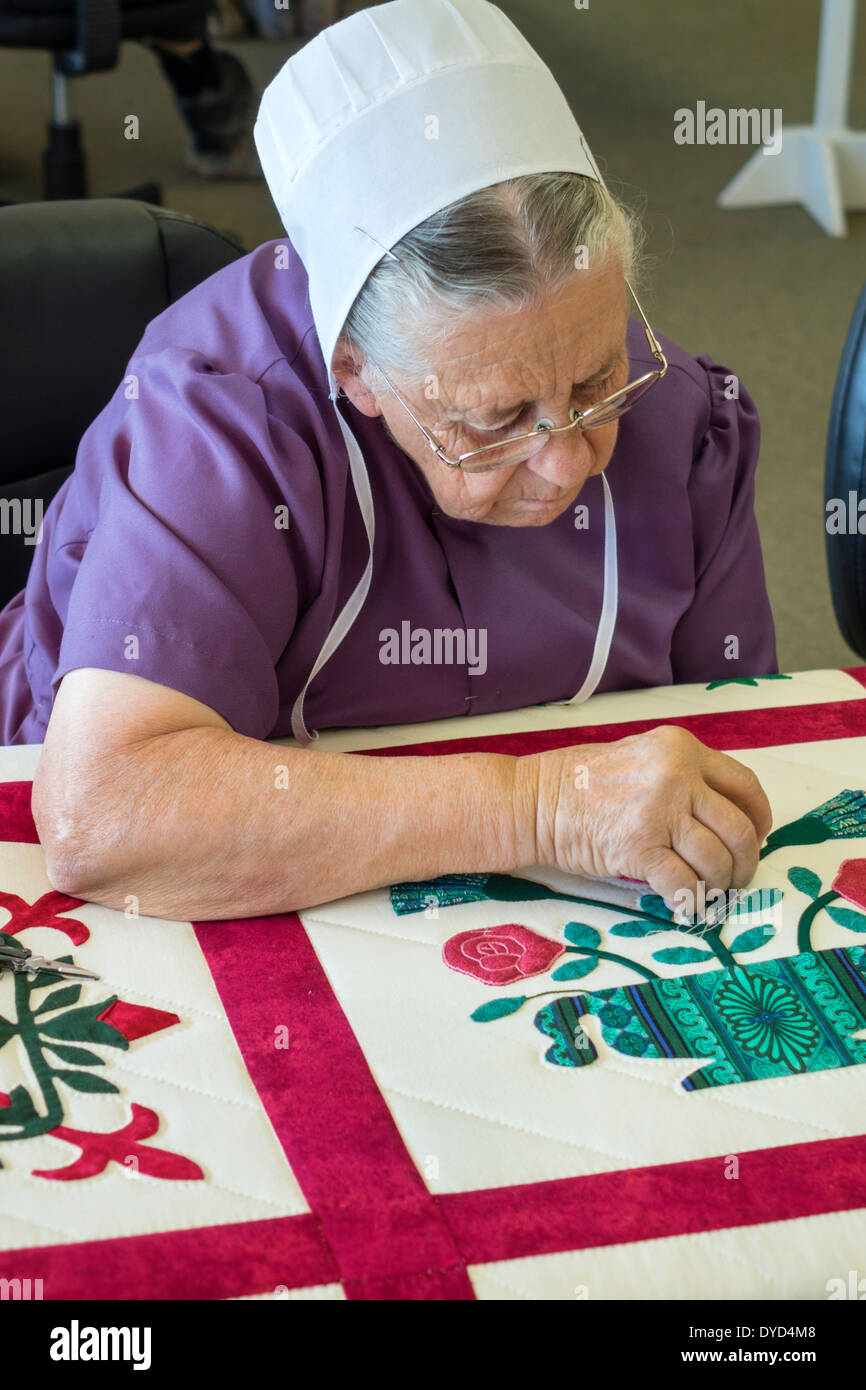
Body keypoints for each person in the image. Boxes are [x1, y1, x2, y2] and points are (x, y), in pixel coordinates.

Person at [2, 0, 775, 920]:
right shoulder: (222, 423)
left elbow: (746, 734)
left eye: (598, 378)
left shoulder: (681, 417)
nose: (568, 462)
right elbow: (111, 816)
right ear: (354, 370)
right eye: (497, 418)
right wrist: (538, 810)